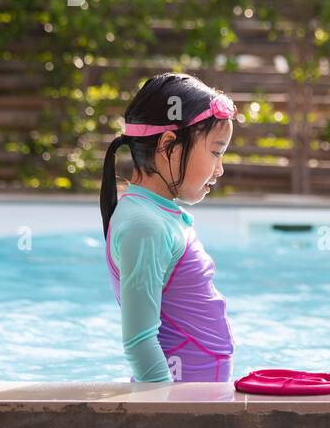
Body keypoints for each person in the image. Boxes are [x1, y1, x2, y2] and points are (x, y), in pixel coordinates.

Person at [99, 72, 237, 382]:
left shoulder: (156, 214)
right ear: (168, 146)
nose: (220, 168)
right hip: (181, 408)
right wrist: (167, 414)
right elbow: (139, 343)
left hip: (195, 402)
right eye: (216, 152)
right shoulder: (145, 226)